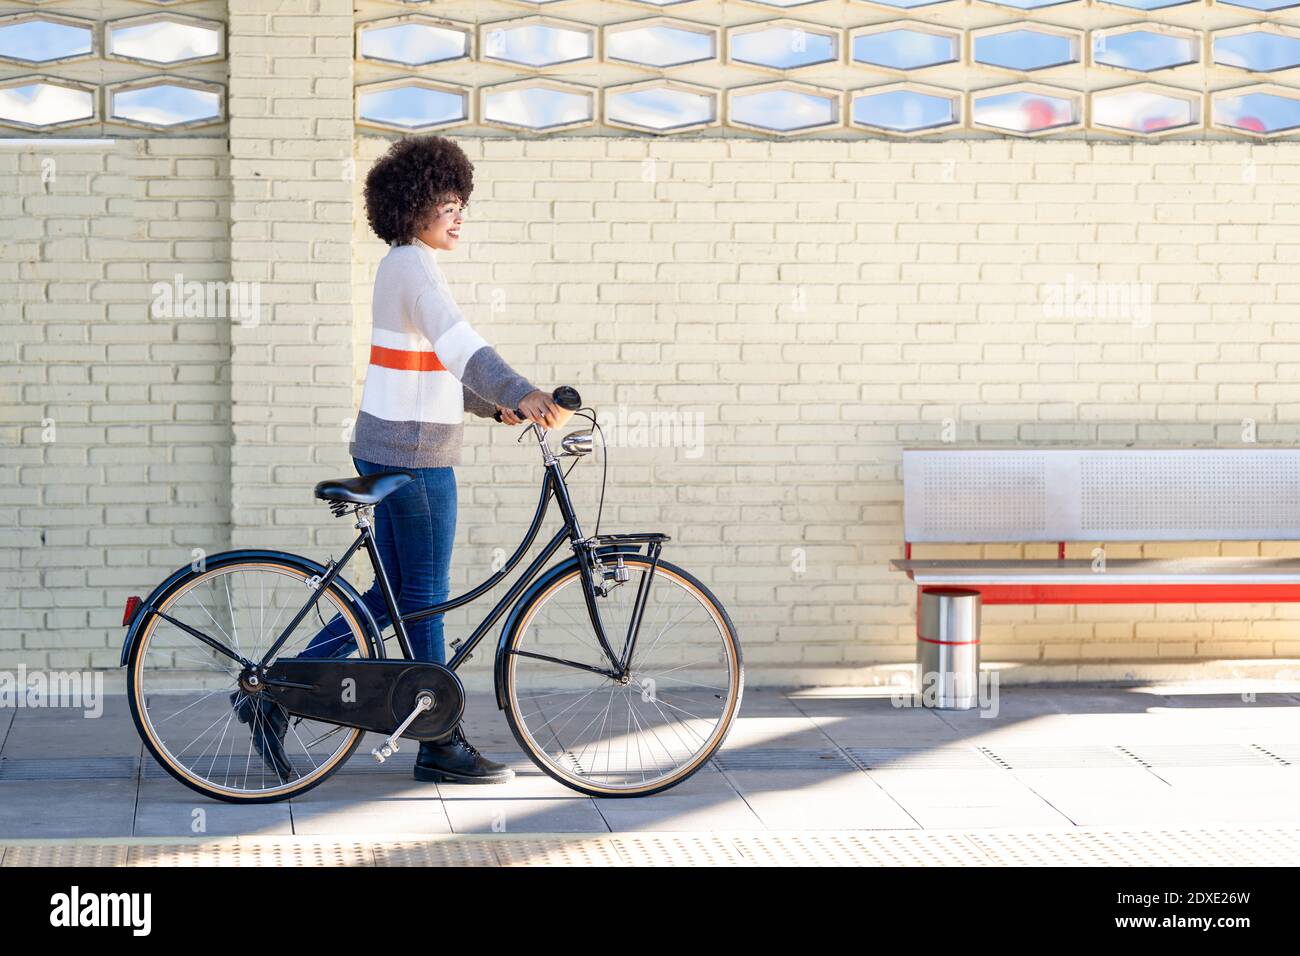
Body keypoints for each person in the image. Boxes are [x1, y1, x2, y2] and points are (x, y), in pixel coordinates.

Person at [234, 135, 571, 784]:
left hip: (393, 444)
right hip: (414, 459)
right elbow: (460, 342)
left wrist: (490, 407)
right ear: (416, 205)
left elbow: (431, 363)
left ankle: (274, 693)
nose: (459, 214)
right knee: (422, 597)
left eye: (461, 201)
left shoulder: (405, 266)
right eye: (449, 202)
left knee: (390, 598)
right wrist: (521, 392)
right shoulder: (414, 268)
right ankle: (440, 740)